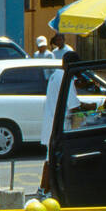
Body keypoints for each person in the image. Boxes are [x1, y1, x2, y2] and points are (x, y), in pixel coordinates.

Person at [39, 51, 80, 193]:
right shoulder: (65, 77)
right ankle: (46, 190)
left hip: (52, 124)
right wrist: (92, 107)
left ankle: (44, 189)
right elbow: (74, 106)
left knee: (50, 158)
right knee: (53, 160)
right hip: (59, 126)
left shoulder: (56, 75)